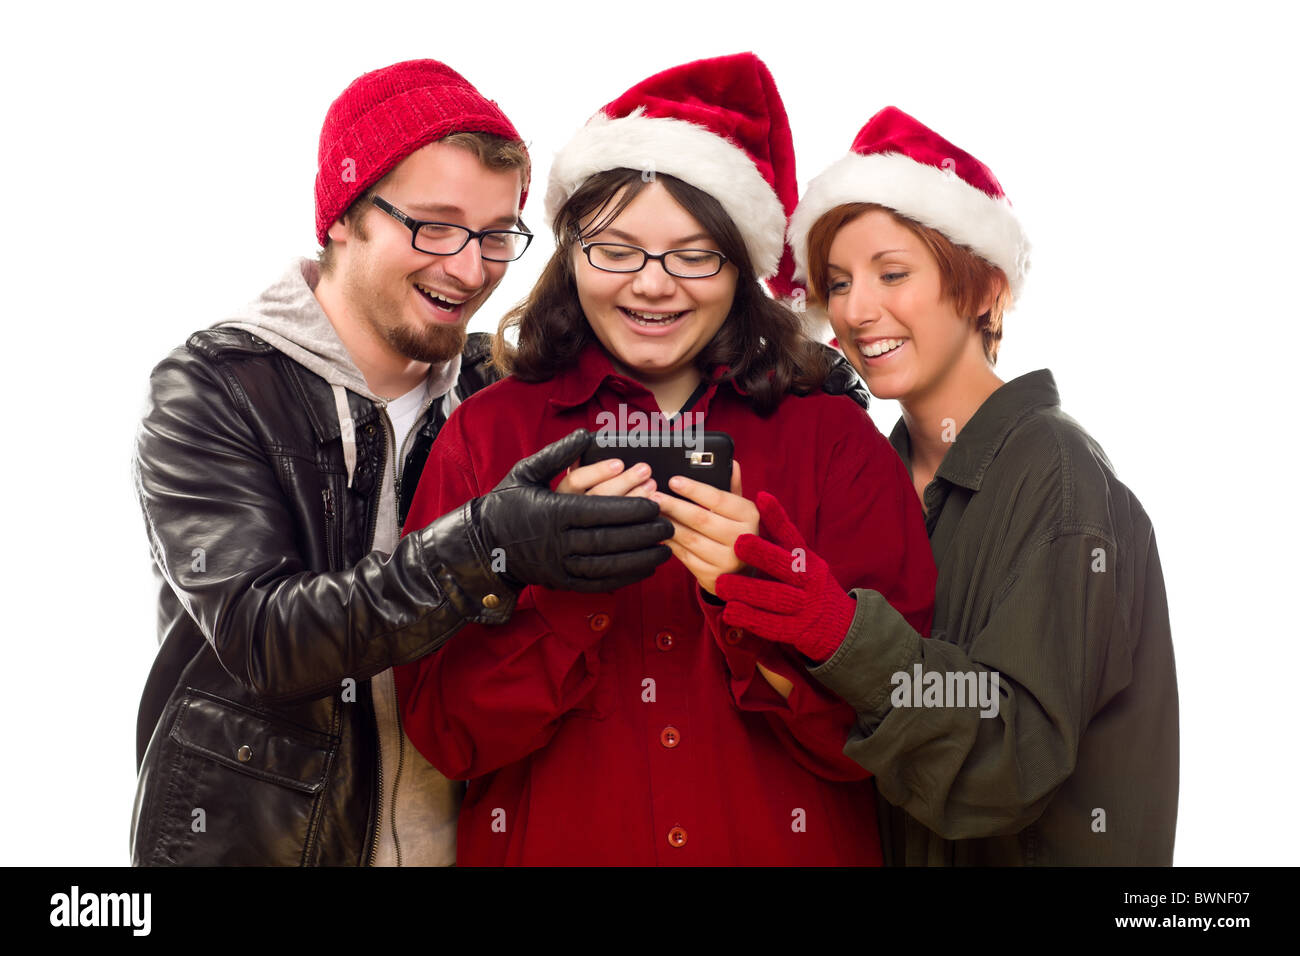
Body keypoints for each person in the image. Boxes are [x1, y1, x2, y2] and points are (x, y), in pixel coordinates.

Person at [394, 53, 935, 865]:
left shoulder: (835, 442)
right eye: (615, 250)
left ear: (741, 266)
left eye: (693, 255)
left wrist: (771, 598)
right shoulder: (485, 437)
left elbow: (903, 739)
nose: (653, 286)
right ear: (571, 253)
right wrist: (569, 591)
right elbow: (447, 735)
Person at [130, 59, 673, 867]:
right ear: (344, 216)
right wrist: (488, 543)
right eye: (434, 225)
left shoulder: (498, 389)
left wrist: (797, 379)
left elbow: (664, 367)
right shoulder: (211, 389)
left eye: (495, 235)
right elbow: (263, 635)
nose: (468, 267)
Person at [723, 105, 1179, 864]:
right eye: (837, 282)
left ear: (982, 288)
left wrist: (846, 638)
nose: (857, 310)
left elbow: (1011, 759)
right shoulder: (877, 476)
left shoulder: (1060, 480)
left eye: (892, 273)